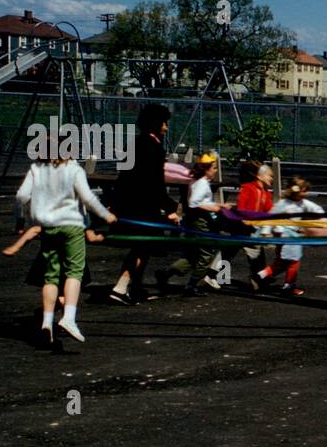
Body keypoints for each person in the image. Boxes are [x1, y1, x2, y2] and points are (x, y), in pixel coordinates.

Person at [13, 146, 117, 344]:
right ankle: (69, 318)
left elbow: (21, 196)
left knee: (50, 276)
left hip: (48, 227)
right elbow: (87, 198)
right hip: (71, 225)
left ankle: (46, 322)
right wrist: (106, 215)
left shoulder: (36, 169)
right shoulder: (73, 169)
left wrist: (20, 220)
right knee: (74, 272)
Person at [108, 104, 179, 305]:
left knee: (142, 248)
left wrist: (113, 204)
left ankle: (135, 287)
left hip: (127, 203)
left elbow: (122, 178)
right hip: (144, 207)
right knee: (143, 247)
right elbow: (155, 183)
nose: (166, 127)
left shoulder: (132, 143)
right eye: (164, 123)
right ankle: (121, 287)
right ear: (156, 124)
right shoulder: (154, 148)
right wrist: (171, 208)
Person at [156, 153, 228, 297]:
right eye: (213, 168)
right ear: (206, 169)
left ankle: (167, 273)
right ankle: (192, 284)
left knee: (193, 254)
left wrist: (219, 205)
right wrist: (215, 208)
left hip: (193, 221)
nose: (215, 171)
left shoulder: (196, 181)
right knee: (207, 254)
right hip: (201, 222)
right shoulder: (202, 183)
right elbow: (195, 202)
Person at [253, 176, 324, 297]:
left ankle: (260, 276)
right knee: (293, 261)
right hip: (287, 235)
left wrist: (325, 220)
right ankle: (289, 285)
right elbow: (271, 216)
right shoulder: (284, 203)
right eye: (303, 190)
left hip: (288, 235)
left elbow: (316, 209)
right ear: (295, 190)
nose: (305, 194)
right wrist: (266, 230)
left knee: (282, 262)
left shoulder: (302, 203)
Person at [236, 161, 275, 284]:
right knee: (254, 252)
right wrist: (245, 219)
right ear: (259, 176)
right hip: (243, 227)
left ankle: (259, 277)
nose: (271, 178)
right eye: (269, 175)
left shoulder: (266, 193)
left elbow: (270, 210)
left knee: (255, 252)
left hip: (254, 228)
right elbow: (241, 207)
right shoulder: (248, 188)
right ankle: (258, 278)